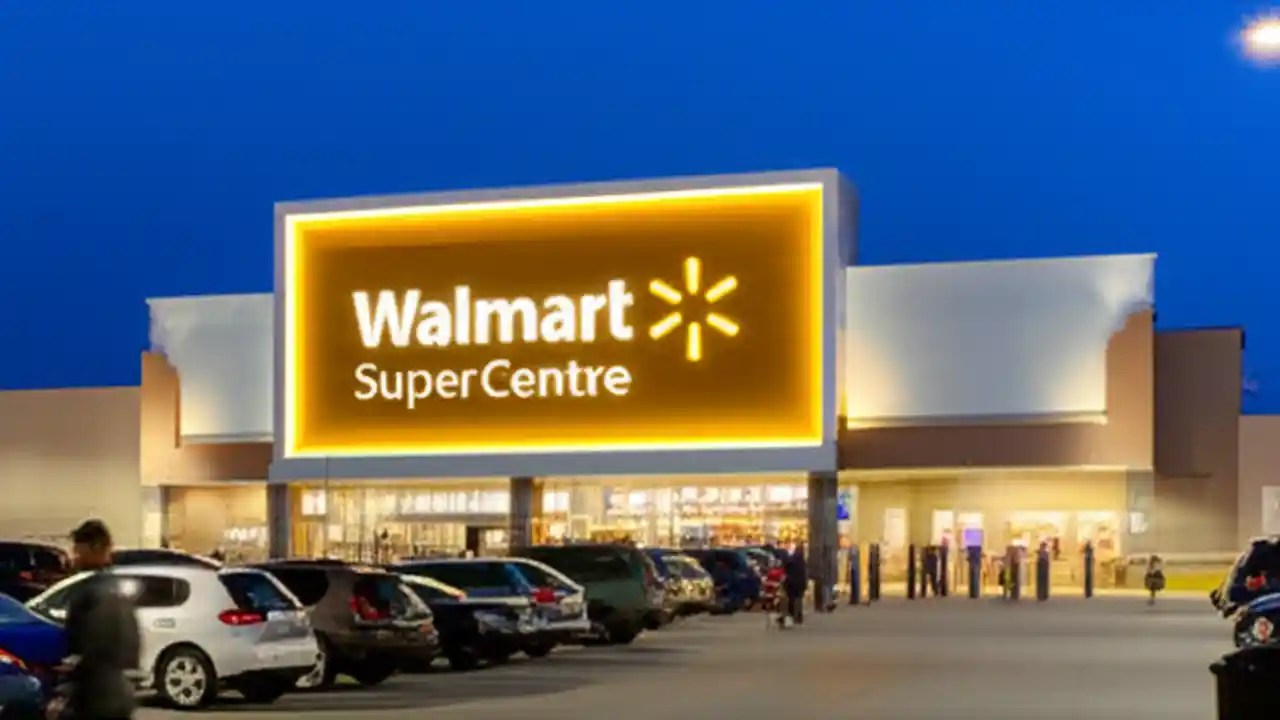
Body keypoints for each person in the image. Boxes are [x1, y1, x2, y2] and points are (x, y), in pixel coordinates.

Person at [46, 520, 140, 720]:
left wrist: (74, 669)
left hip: (97, 696)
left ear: (94, 547)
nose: (75, 555)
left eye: (78, 549)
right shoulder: (115, 587)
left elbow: (96, 644)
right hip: (116, 691)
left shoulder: (94, 590)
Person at [783, 543, 808, 626]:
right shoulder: (803, 561)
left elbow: (785, 567)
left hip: (791, 582)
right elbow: (805, 573)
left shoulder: (791, 559)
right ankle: (799, 616)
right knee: (799, 599)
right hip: (801, 583)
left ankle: (792, 615)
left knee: (791, 599)